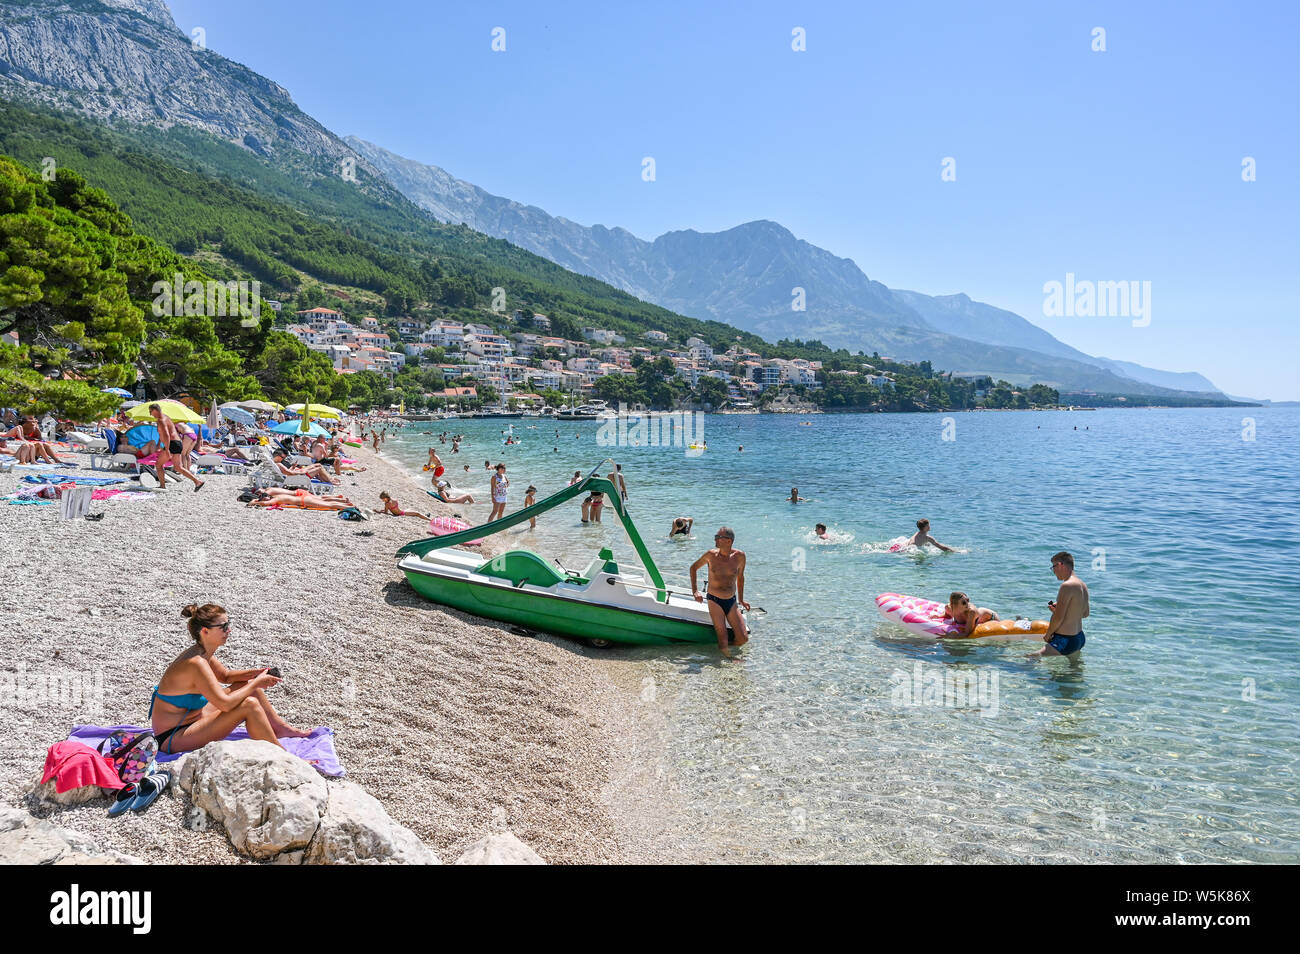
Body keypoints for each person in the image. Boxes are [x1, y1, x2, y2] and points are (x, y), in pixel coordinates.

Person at [149, 603, 311, 755]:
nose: (229, 630)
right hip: (173, 736)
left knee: (247, 688)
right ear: (205, 631)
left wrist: (258, 673)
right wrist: (257, 682)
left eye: (228, 624)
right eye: (224, 626)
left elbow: (225, 676)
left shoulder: (201, 652)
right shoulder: (196, 663)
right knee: (249, 705)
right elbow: (225, 704)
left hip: (194, 719)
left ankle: (281, 729)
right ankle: (282, 755)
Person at [689, 527, 750, 658]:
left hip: (731, 601)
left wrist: (741, 600)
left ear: (728, 541)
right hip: (714, 600)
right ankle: (729, 660)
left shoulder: (740, 556)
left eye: (718, 537)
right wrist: (695, 591)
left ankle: (721, 652)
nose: (715, 539)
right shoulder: (710, 555)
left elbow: (741, 578)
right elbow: (693, 568)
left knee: (743, 639)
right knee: (723, 639)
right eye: (715, 536)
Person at [1034, 551, 1089, 657]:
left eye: (1053, 567)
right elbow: (1085, 614)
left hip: (1065, 639)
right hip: (1079, 638)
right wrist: (1060, 609)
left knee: (1030, 657)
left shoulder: (1067, 586)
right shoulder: (1083, 585)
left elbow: (1058, 618)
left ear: (1060, 565)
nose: (1053, 571)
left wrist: (1048, 635)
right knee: (1073, 672)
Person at [148, 404, 204, 492]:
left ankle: (162, 486)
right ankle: (197, 482)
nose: (150, 414)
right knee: (178, 467)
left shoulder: (161, 420)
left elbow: (166, 435)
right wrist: (160, 444)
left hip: (171, 444)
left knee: (158, 465)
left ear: (155, 410)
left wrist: (166, 449)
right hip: (178, 443)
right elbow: (165, 433)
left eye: (150, 411)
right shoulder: (166, 417)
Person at [271, 450, 338, 485]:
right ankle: (330, 481)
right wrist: (301, 471)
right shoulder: (279, 464)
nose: (283, 459)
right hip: (300, 475)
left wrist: (293, 467)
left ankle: (329, 479)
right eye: (282, 457)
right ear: (277, 456)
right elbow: (288, 473)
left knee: (318, 464)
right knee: (319, 468)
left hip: (299, 472)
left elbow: (287, 472)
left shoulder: (277, 464)